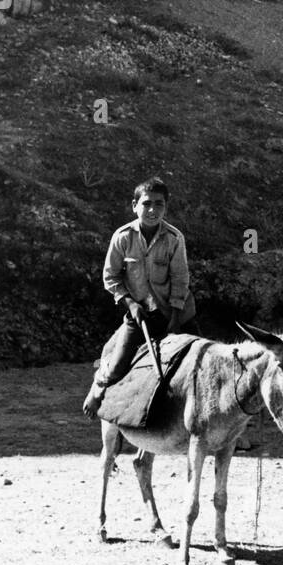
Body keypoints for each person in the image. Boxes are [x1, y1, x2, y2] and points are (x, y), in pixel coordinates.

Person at [82, 177, 198, 418]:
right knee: (116, 367)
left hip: (174, 312)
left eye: (159, 204)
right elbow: (110, 277)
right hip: (140, 314)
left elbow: (180, 278)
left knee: (201, 365)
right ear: (134, 205)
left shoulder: (175, 238)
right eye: (146, 204)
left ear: (166, 207)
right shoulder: (122, 237)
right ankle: (97, 389)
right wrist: (130, 303)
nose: (153, 210)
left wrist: (175, 319)